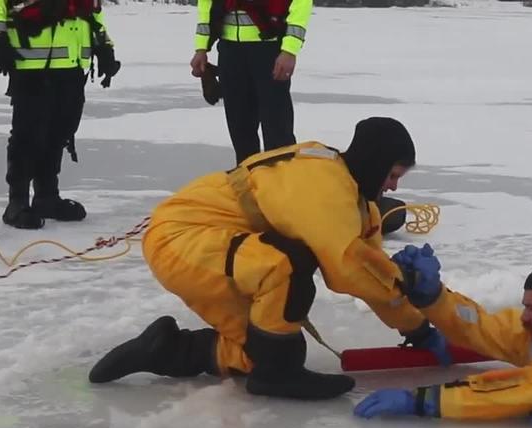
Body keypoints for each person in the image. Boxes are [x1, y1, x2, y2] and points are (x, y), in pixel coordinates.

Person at [87, 116, 440, 400]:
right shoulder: (326, 188)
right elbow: (349, 273)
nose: (393, 188)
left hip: (213, 243)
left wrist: (415, 326)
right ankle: (278, 376)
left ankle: (165, 349)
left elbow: (373, 271)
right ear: (375, 162)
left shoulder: (355, 201)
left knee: (262, 350)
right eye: (393, 175)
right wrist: (418, 317)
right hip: (184, 237)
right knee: (287, 263)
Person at [352, 245, 532, 422]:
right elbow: (486, 327)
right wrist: (433, 297)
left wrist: (423, 400)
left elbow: (523, 388)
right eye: (525, 307)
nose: (524, 317)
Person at [0, 0, 121, 230]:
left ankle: (47, 197)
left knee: (59, 132)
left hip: (72, 65)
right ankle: (17, 202)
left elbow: (92, 13)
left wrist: (104, 46)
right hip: (31, 65)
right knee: (28, 135)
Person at [191, 0, 312, 166]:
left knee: (277, 129)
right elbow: (206, 5)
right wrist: (201, 48)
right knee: (240, 128)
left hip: (269, 49)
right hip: (230, 51)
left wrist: (290, 50)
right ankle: (248, 181)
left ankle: (282, 183)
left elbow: (301, 4)